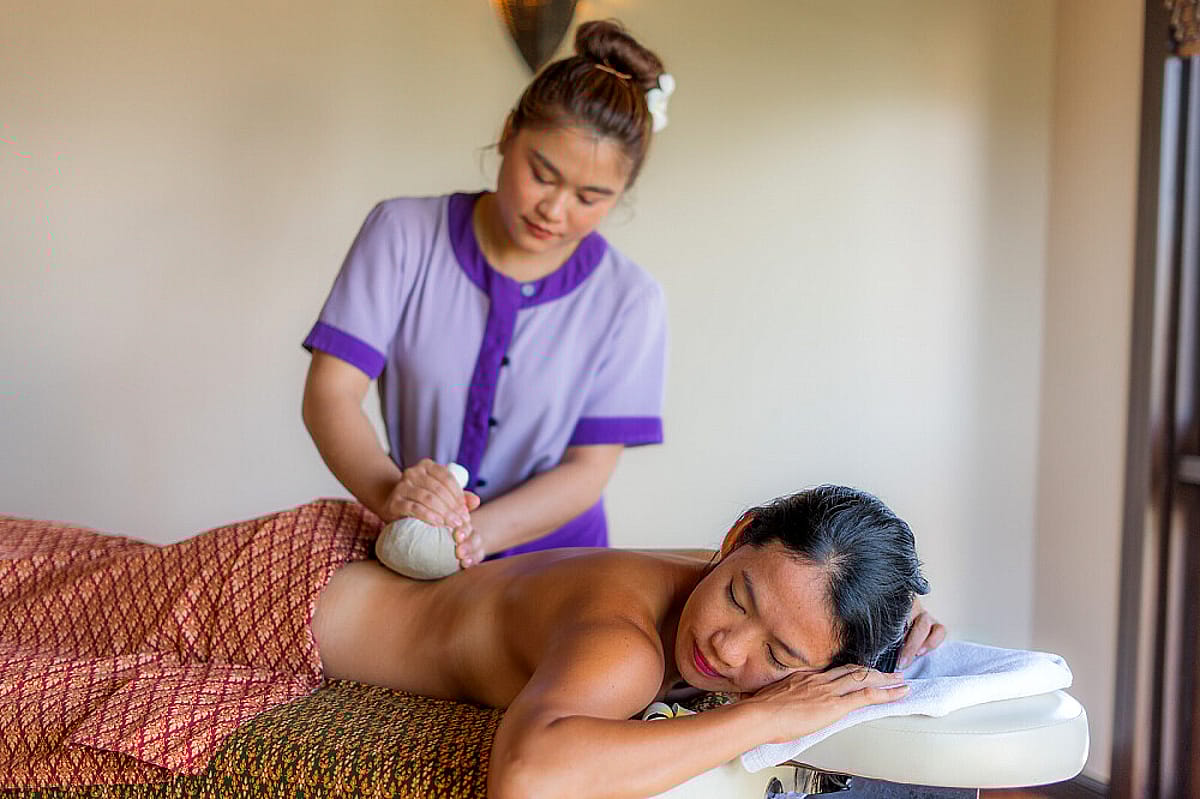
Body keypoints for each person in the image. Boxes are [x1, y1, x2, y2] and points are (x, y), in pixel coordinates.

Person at [0, 485, 945, 794]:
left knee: (44, 574)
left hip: (321, 567)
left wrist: (894, 636)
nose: (731, 650)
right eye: (737, 596)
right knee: (33, 595)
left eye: (779, 658)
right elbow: (527, 773)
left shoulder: (713, 578)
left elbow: (784, 609)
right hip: (266, 603)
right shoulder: (622, 643)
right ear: (734, 537)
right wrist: (760, 714)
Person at [301, 19, 672, 571]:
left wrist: (475, 533)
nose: (555, 210)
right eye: (542, 174)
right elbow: (331, 394)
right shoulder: (403, 234)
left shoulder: (630, 301)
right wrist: (394, 495)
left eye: (591, 197)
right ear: (507, 135)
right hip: (415, 543)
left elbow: (589, 469)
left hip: (559, 566)